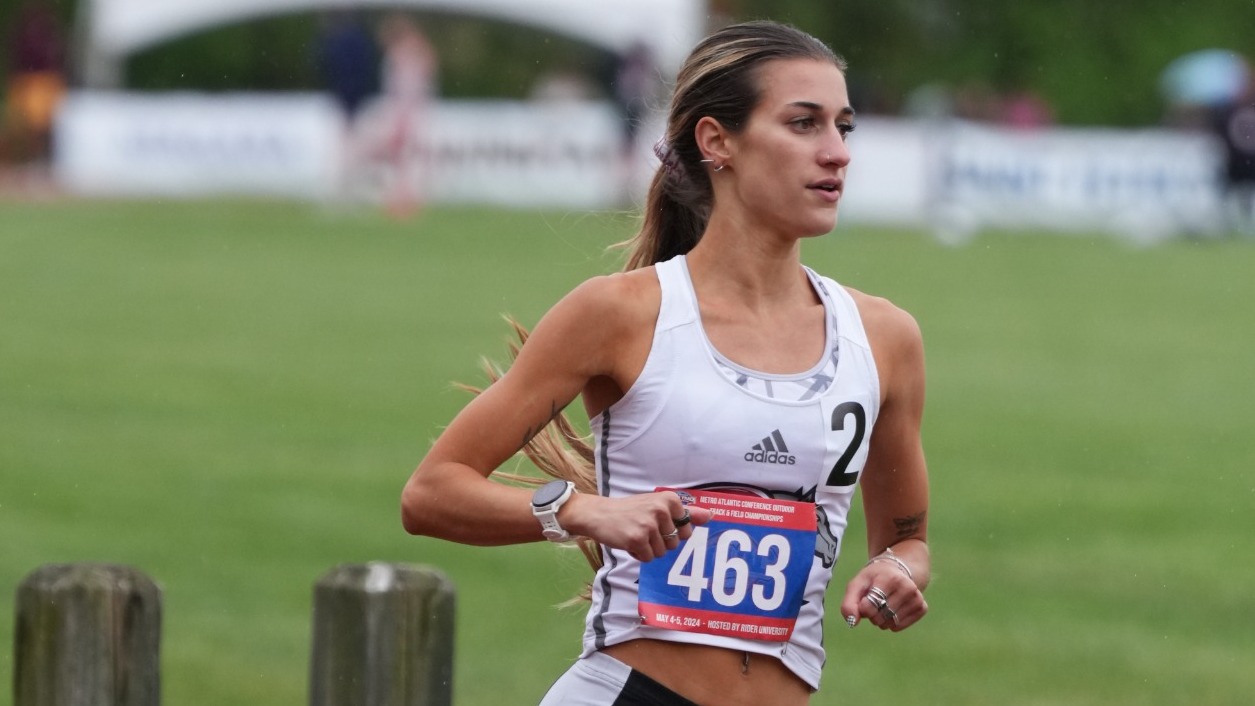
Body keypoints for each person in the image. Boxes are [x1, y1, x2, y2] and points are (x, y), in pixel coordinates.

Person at [401, 20, 931, 705]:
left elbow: (907, 540)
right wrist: (584, 512)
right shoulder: (618, 315)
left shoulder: (885, 337)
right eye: (803, 124)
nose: (836, 153)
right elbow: (431, 494)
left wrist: (896, 569)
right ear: (717, 142)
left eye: (843, 127)